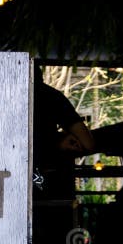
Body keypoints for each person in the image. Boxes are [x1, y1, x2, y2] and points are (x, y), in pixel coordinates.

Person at [33, 70, 95, 199]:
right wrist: (58, 140)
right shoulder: (50, 96)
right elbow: (87, 143)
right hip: (46, 178)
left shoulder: (2, 95)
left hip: (2, 174)